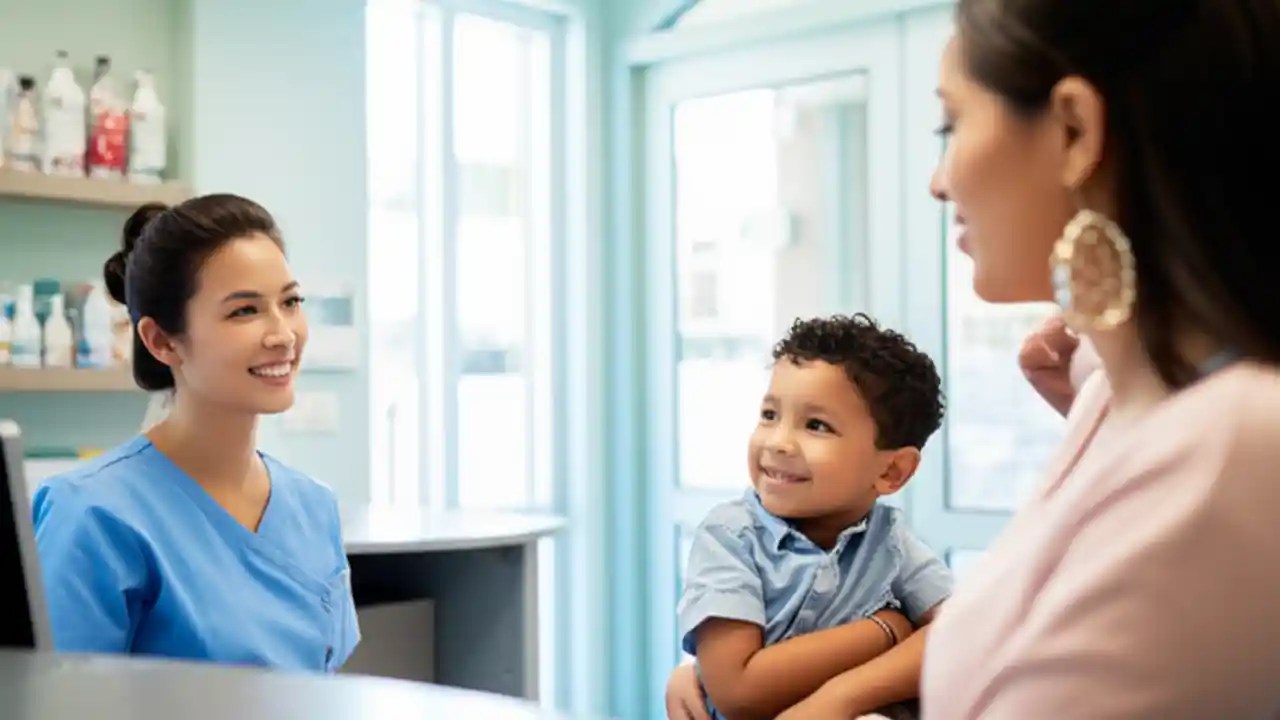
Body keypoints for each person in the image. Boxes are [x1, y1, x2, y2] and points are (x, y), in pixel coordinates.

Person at [781, 1, 1280, 717]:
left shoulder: (1235, 452)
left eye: (951, 124)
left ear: (1074, 129)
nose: (938, 181)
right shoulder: (1120, 392)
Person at [32, 194, 360, 672]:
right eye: (244, 311)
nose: (283, 334)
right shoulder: (92, 515)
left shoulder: (313, 508)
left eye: (290, 302)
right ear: (162, 341)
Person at [670, 315, 952, 720]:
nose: (779, 441)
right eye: (769, 415)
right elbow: (739, 691)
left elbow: (959, 633)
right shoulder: (731, 538)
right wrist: (885, 631)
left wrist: (839, 699)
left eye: (816, 425)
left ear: (891, 472)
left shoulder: (889, 541)